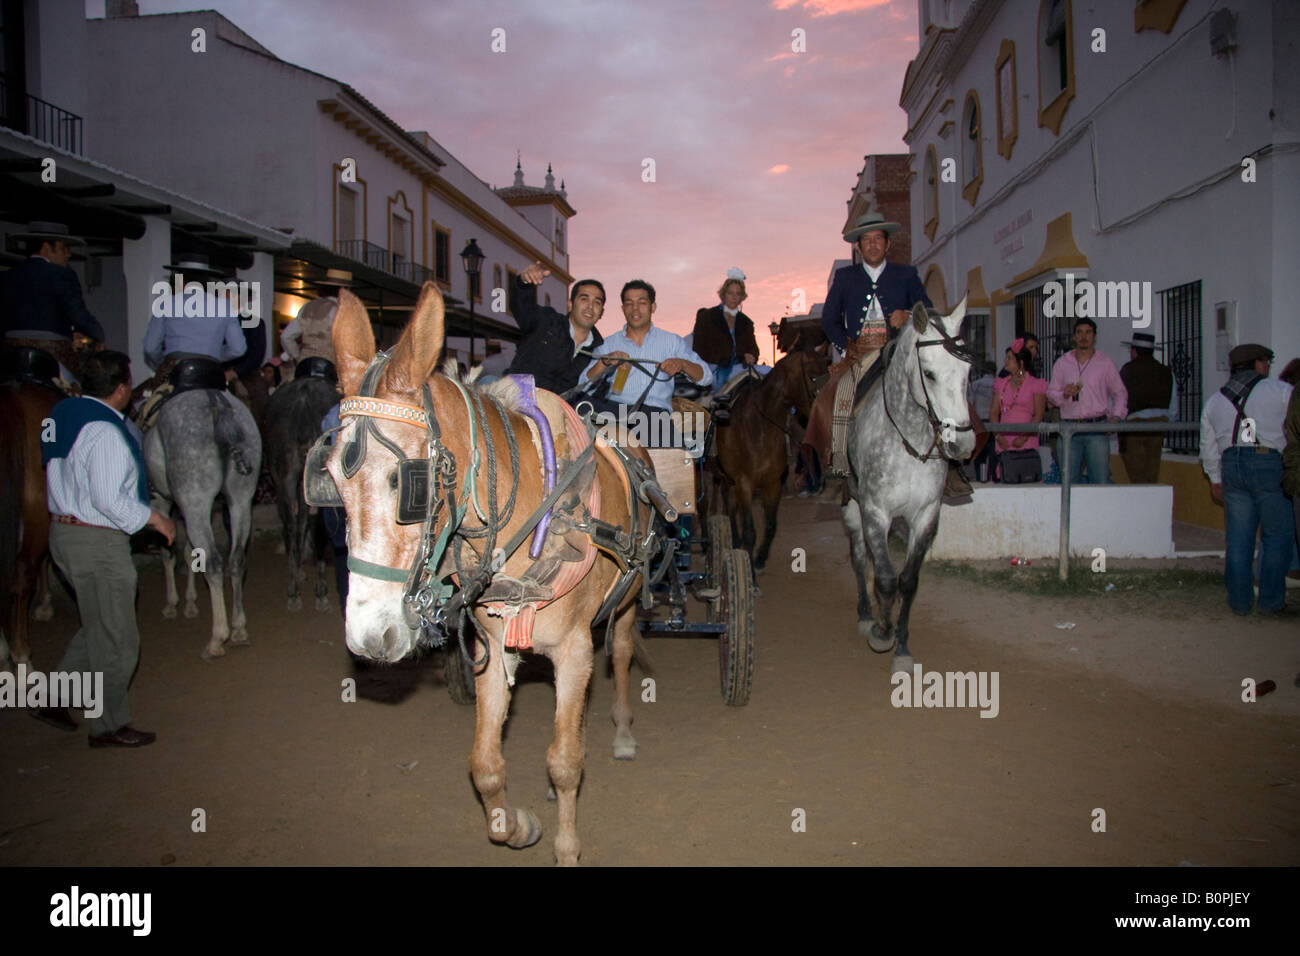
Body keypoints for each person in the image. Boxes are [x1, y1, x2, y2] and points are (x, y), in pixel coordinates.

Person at [32, 351, 176, 745]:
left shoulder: (62, 414)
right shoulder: (108, 433)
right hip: (97, 539)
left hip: (64, 532)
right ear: (122, 390)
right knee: (119, 638)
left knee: (98, 623)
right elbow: (109, 499)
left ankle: (52, 695)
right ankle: (108, 724)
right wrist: (155, 518)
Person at [805, 213, 941, 487]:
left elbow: (930, 310)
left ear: (888, 244)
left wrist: (909, 315)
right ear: (858, 247)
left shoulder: (906, 274)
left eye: (878, 239)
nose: (873, 245)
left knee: (938, 390)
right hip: (859, 353)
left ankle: (950, 461)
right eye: (867, 240)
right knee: (832, 398)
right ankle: (837, 462)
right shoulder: (845, 278)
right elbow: (829, 320)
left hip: (900, 349)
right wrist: (846, 346)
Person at [1200, 344, 1294, 616]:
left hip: (1231, 463)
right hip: (1268, 462)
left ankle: (1239, 602)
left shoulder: (1216, 399)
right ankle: (1271, 601)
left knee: (1239, 539)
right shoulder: (1280, 391)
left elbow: (1207, 444)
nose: (1267, 367)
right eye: (1266, 362)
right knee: (1277, 535)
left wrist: (1215, 477)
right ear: (1257, 364)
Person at [583, 279, 710, 430]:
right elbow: (582, 385)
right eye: (629, 303)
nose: (635, 309)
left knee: (672, 445)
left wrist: (682, 364)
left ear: (653, 307)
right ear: (623, 308)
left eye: (642, 302)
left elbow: (706, 377)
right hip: (616, 413)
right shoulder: (608, 344)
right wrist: (603, 363)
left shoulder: (672, 341)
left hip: (655, 415)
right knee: (579, 406)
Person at [1, 221, 104, 382]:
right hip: (51, 350)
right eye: (64, 248)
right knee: (76, 389)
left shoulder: (8, 275)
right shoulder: (63, 275)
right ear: (46, 249)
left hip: (11, 352)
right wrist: (98, 335)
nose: (68, 254)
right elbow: (78, 315)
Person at [136, 253, 246, 399]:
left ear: (180, 278)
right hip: (211, 372)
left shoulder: (165, 303)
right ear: (207, 279)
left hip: (176, 370)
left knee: (147, 411)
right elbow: (238, 349)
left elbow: (150, 347)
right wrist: (212, 355)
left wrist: (162, 365)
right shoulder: (224, 307)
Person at [1046, 318, 1128, 484]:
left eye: (1088, 332)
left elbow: (1120, 393)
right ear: (1074, 337)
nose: (1084, 336)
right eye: (1079, 332)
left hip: (1096, 429)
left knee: (1100, 481)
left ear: (1095, 337)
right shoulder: (1062, 363)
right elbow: (1050, 393)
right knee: (1068, 483)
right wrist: (1064, 394)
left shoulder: (1105, 363)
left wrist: (1116, 417)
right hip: (1069, 429)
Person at [506, 261, 606, 394]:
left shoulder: (599, 351)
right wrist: (524, 282)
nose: (590, 306)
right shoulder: (547, 321)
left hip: (557, 411)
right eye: (584, 299)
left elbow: (594, 392)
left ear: (601, 313)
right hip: (516, 402)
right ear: (570, 304)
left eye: (597, 302)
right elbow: (521, 306)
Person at [691, 268, 760, 420]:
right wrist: (720, 358)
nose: (734, 298)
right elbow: (698, 348)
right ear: (723, 294)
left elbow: (754, 348)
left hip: (738, 367)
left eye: (738, 294)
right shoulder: (707, 317)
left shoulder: (746, 322)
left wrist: (751, 356)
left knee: (767, 376)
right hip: (713, 367)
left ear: (742, 297)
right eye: (730, 293)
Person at [1118, 331, 1176, 484]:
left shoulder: (1127, 370)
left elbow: (1120, 400)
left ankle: (1141, 505)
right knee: (1152, 472)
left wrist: (1117, 420)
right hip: (1158, 425)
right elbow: (1173, 404)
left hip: (1134, 425)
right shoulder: (1166, 372)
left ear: (1134, 351)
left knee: (1137, 475)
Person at [989, 339, 1047, 480]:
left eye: (1009, 358)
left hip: (1026, 439)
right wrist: (998, 436)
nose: (1006, 361)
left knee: (1025, 476)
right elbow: (993, 412)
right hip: (1004, 440)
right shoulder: (1001, 384)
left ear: (1020, 363)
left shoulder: (1035, 384)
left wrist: (1024, 436)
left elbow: (1038, 414)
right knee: (1004, 475)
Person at [280, 268, 354, 367]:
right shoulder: (343, 311)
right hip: (331, 364)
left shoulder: (307, 307)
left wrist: (296, 356)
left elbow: (286, 336)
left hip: (305, 362)